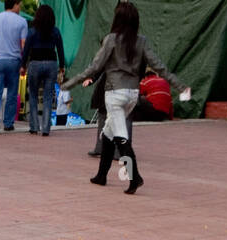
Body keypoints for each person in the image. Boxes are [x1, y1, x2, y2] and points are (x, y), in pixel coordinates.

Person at [63, 1, 184, 194]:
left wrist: (73, 81)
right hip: (132, 95)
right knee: (108, 134)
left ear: (117, 19)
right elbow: (158, 65)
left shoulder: (111, 39)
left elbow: (95, 66)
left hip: (114, 94)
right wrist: (178, 84)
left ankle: (134, 177)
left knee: (120, 137)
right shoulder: (141, 41)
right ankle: (101, 175)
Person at [0, 0, 28, 133]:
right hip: (13, 61)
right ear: (15, 4)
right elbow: (23, 43)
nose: (20, 7)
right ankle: (8, 123)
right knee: (12, 93)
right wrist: (24, 63)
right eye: (19, 4)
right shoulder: (22, 21)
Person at [24, 3, 65, 136]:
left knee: (33, 95)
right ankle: (46, 128)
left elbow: (26, 51)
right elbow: (60, 50)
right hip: (51, 63)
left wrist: (23, 65)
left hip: (35, 63)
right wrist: (62, 66)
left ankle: (34, 126)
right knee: (48, 97)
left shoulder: (32, 31)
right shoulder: (56, 31)